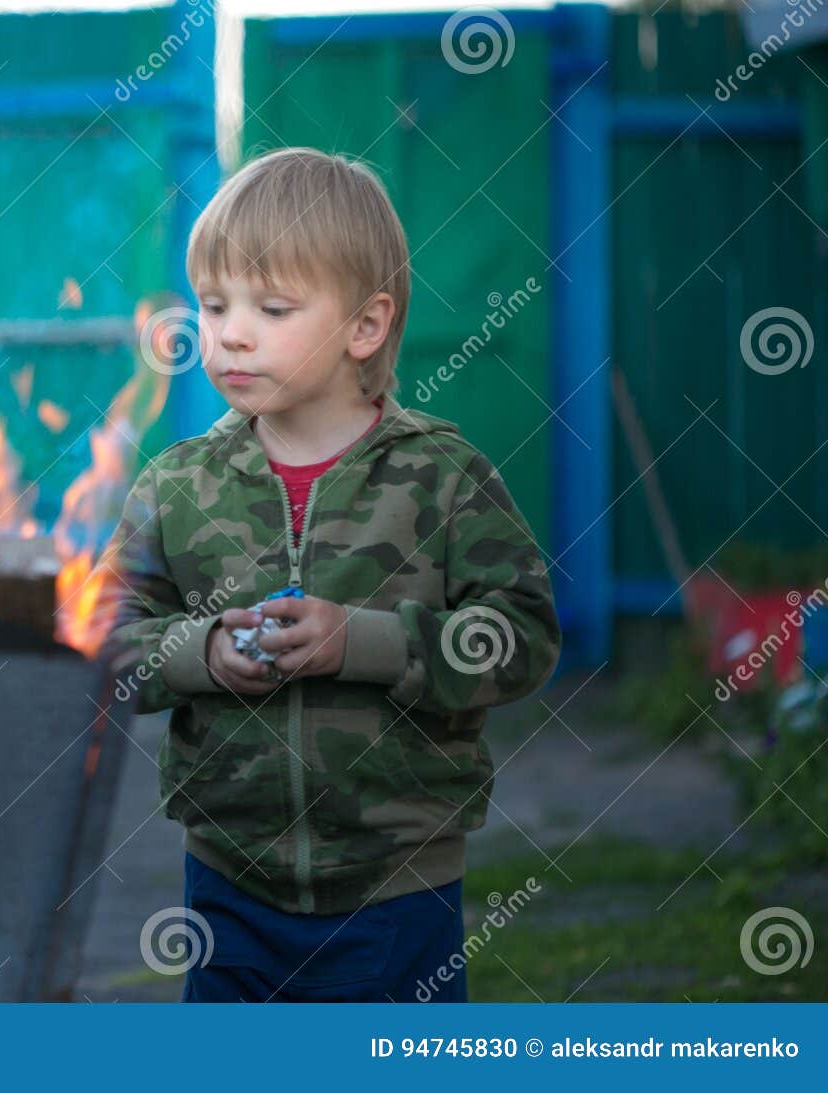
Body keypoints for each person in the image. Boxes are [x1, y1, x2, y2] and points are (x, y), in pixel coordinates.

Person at [96, 146, 563, 1002]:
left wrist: (363, 641)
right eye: (212, 303)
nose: (230, 331)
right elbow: (104, 639)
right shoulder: (177, 485)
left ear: (366, 326)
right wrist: (203, 651)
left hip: (397, 887)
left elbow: (524, 638)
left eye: (271, 307)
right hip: (227, 883)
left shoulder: (440, 476)